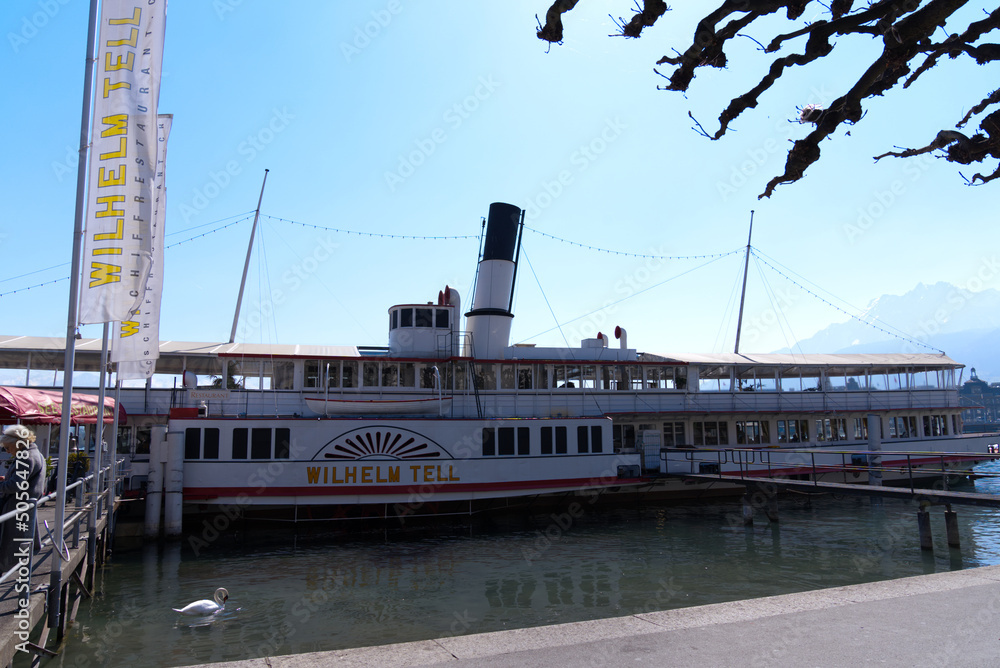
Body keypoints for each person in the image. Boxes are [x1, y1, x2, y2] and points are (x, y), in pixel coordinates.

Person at [0, 424, 46, 572]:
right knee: (21, 544)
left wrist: (4, 484)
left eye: (8, 447)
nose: (7, 451)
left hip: (17, 505)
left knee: (9, 544)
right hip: (26, 505)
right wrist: (5, 480)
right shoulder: (34, 453)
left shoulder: (25, 457)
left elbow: (15, 486)